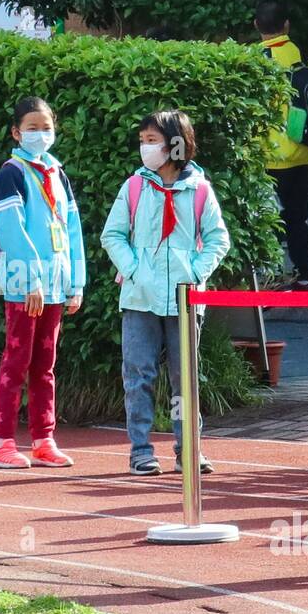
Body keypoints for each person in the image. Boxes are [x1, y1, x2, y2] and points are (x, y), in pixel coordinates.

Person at [101, 110, 230, 476]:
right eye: (143, 141)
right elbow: (113, 235)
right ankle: (140, 451)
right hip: (140, 298)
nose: (146, 148)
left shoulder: (200, 189)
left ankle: (187, 449)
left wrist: (195, 272)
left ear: (177, 143)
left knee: (183, 378)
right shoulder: (135, 187)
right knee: (138, 375)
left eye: (153, 140)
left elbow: (218, 239)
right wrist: (134, 270)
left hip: (186, 301)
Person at [0, 96, 85, 469]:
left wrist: (76, 282)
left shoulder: (58, 173)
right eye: (32, 127)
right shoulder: (11, 173)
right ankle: (1, 442)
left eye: (46, 127)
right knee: (16, 361)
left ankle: (44, 439)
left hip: (56, 286)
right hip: (24, 287)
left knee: (45, 365)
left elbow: (71, 229)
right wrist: (31, 280)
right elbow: (10, 229)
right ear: (16, 132)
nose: (40, 134)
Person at [256, 0, 308, 291]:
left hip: (270, 155)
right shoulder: (302, 57)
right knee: (298, 218)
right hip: (304, 151)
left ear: (256, 26)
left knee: (269, 219)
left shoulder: (253, 61)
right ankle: (305, 274)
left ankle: (269, 277)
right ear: (287, 26)